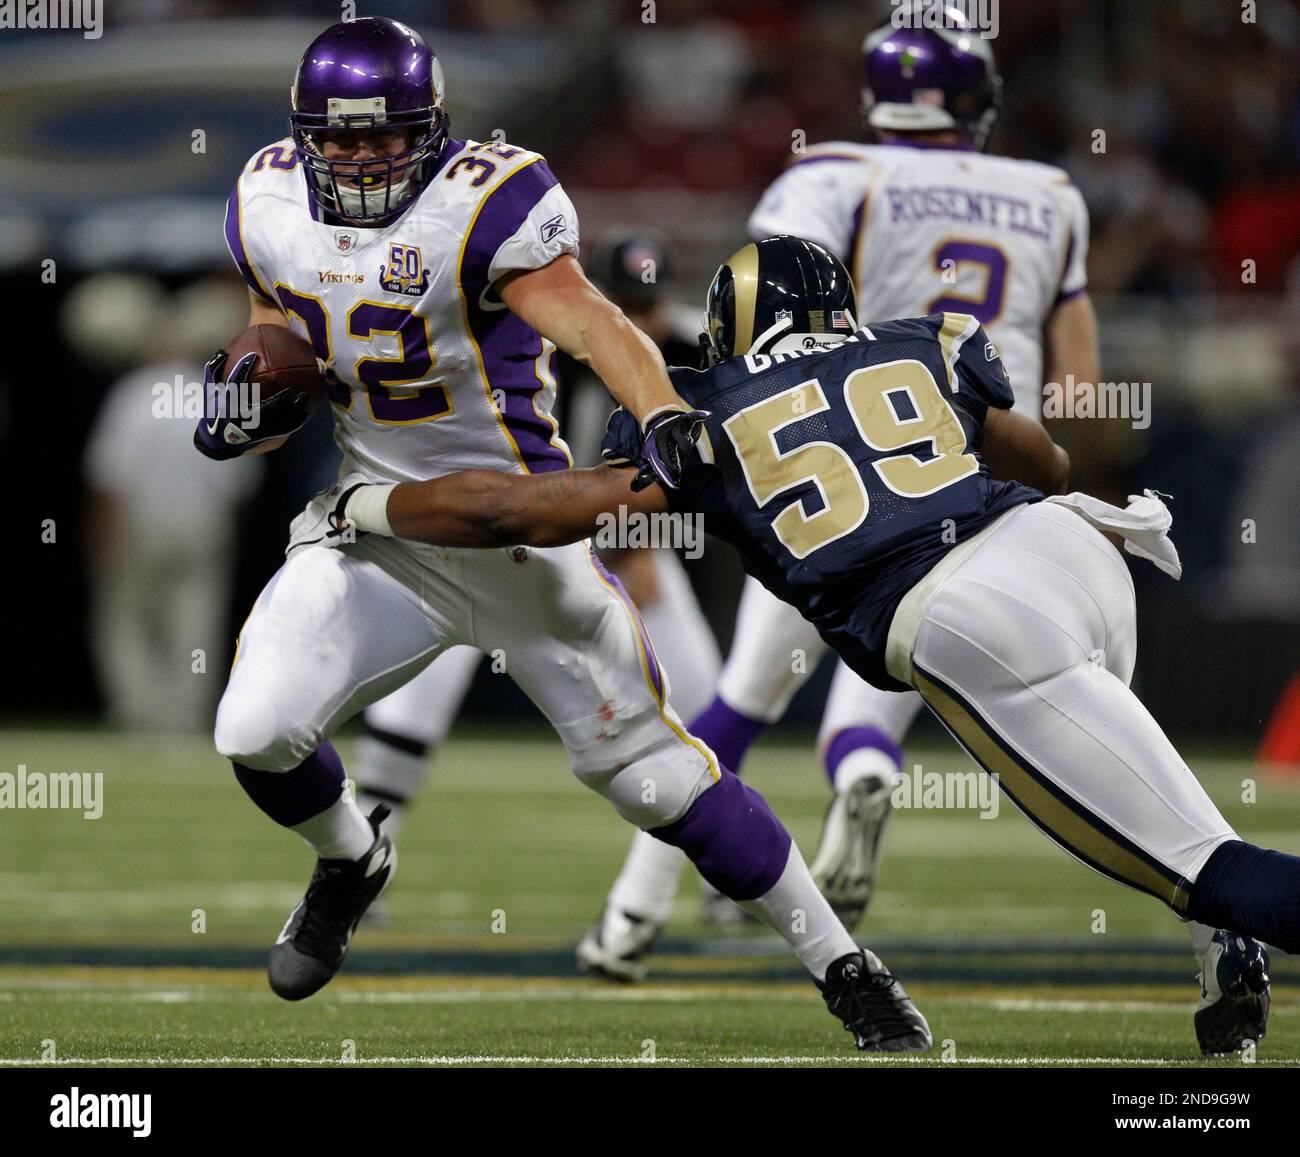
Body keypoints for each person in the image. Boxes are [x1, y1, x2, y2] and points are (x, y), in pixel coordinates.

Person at [316, 237, 1281, 1057]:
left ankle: (1219, 912)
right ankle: (1218, 942)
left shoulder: (703, 409)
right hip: (1077, 544)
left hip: (967, 619)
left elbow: (535, 512)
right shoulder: (923, 342)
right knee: (1175, 825)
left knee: (1203, 864)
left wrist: (372, 503)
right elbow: (1048, 460)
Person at [195, 18, 927, 1052]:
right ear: (304, 133)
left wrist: (663, 410)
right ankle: (353, 859)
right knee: (254, 727)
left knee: (660, 781)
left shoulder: (488, 199)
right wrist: (247, 405)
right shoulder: (267, 199)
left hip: (518, 534)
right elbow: (281, 334)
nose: (359, 159)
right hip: (375, 537)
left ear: (430, 127)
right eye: (340, 139)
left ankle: (846, 967)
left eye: (382, 137)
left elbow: (588, 318)